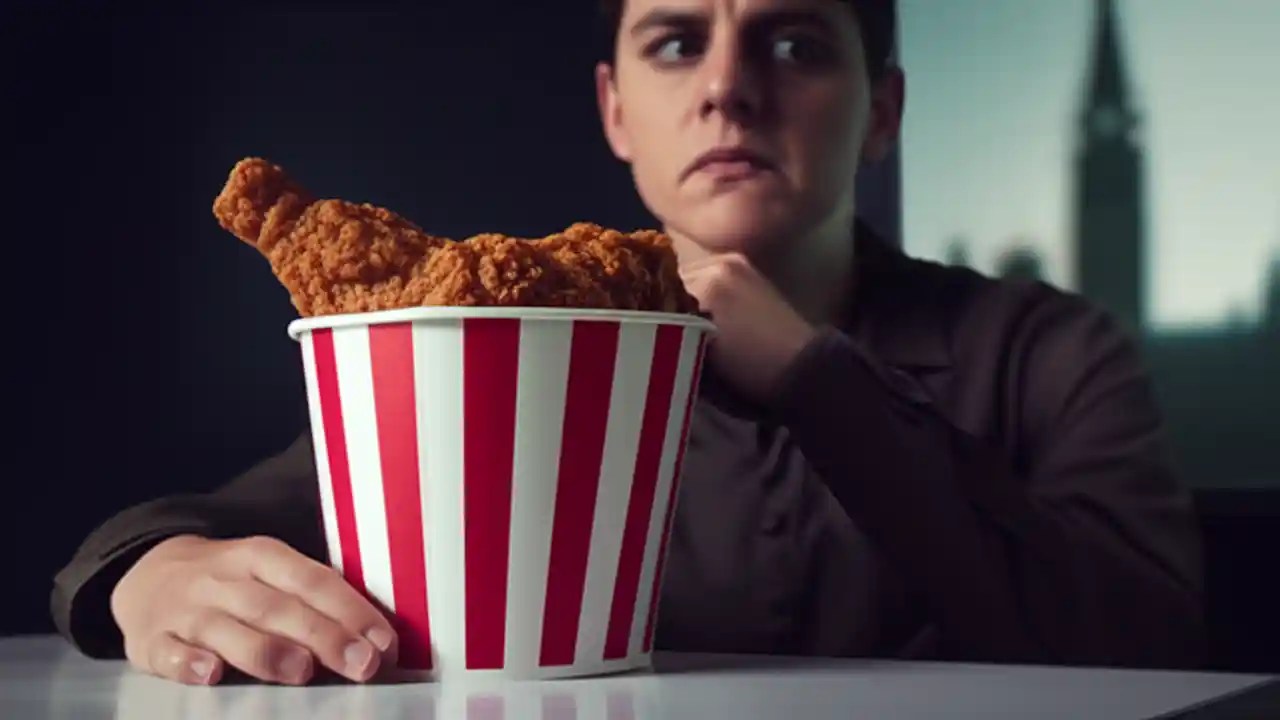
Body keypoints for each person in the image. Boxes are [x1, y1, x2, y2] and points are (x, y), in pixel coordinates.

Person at [50, 0, 1205, 687]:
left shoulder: (1046, 353)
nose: (727, 91)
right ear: (613, 108)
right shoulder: (500, 356)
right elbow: (193, 524)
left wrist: (812, 372)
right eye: (672, 43)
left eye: (795, 43)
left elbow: (1151, 637)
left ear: (884, 110)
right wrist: (145, 579)